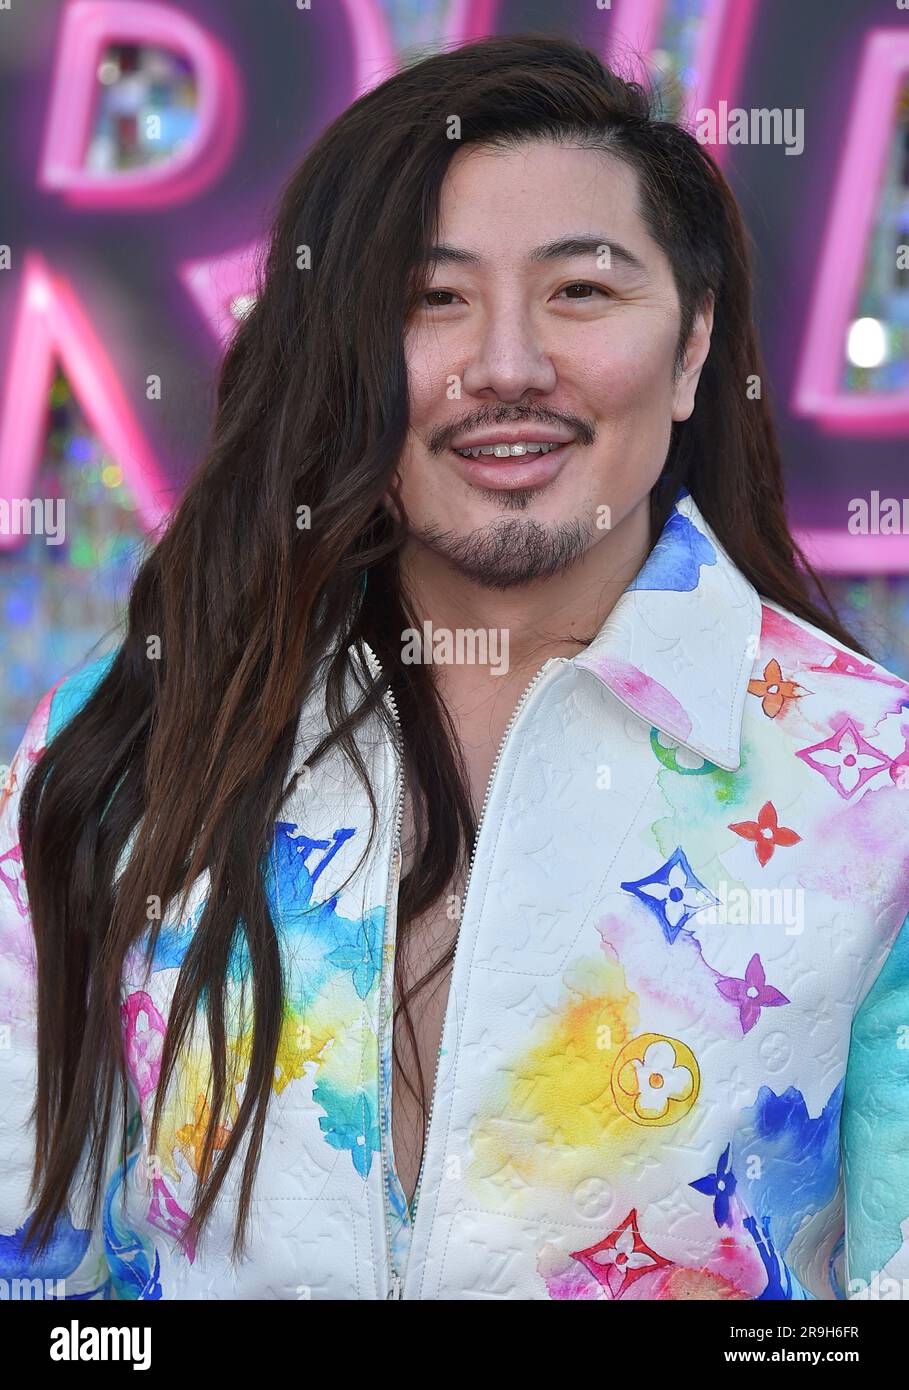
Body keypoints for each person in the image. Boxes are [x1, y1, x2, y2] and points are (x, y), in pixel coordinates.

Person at [1, 32, 907, 1302]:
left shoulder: (881, 790)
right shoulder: (126, 741)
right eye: (433, 299)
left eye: (582, 291)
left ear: (694, 346)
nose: (508, 366)